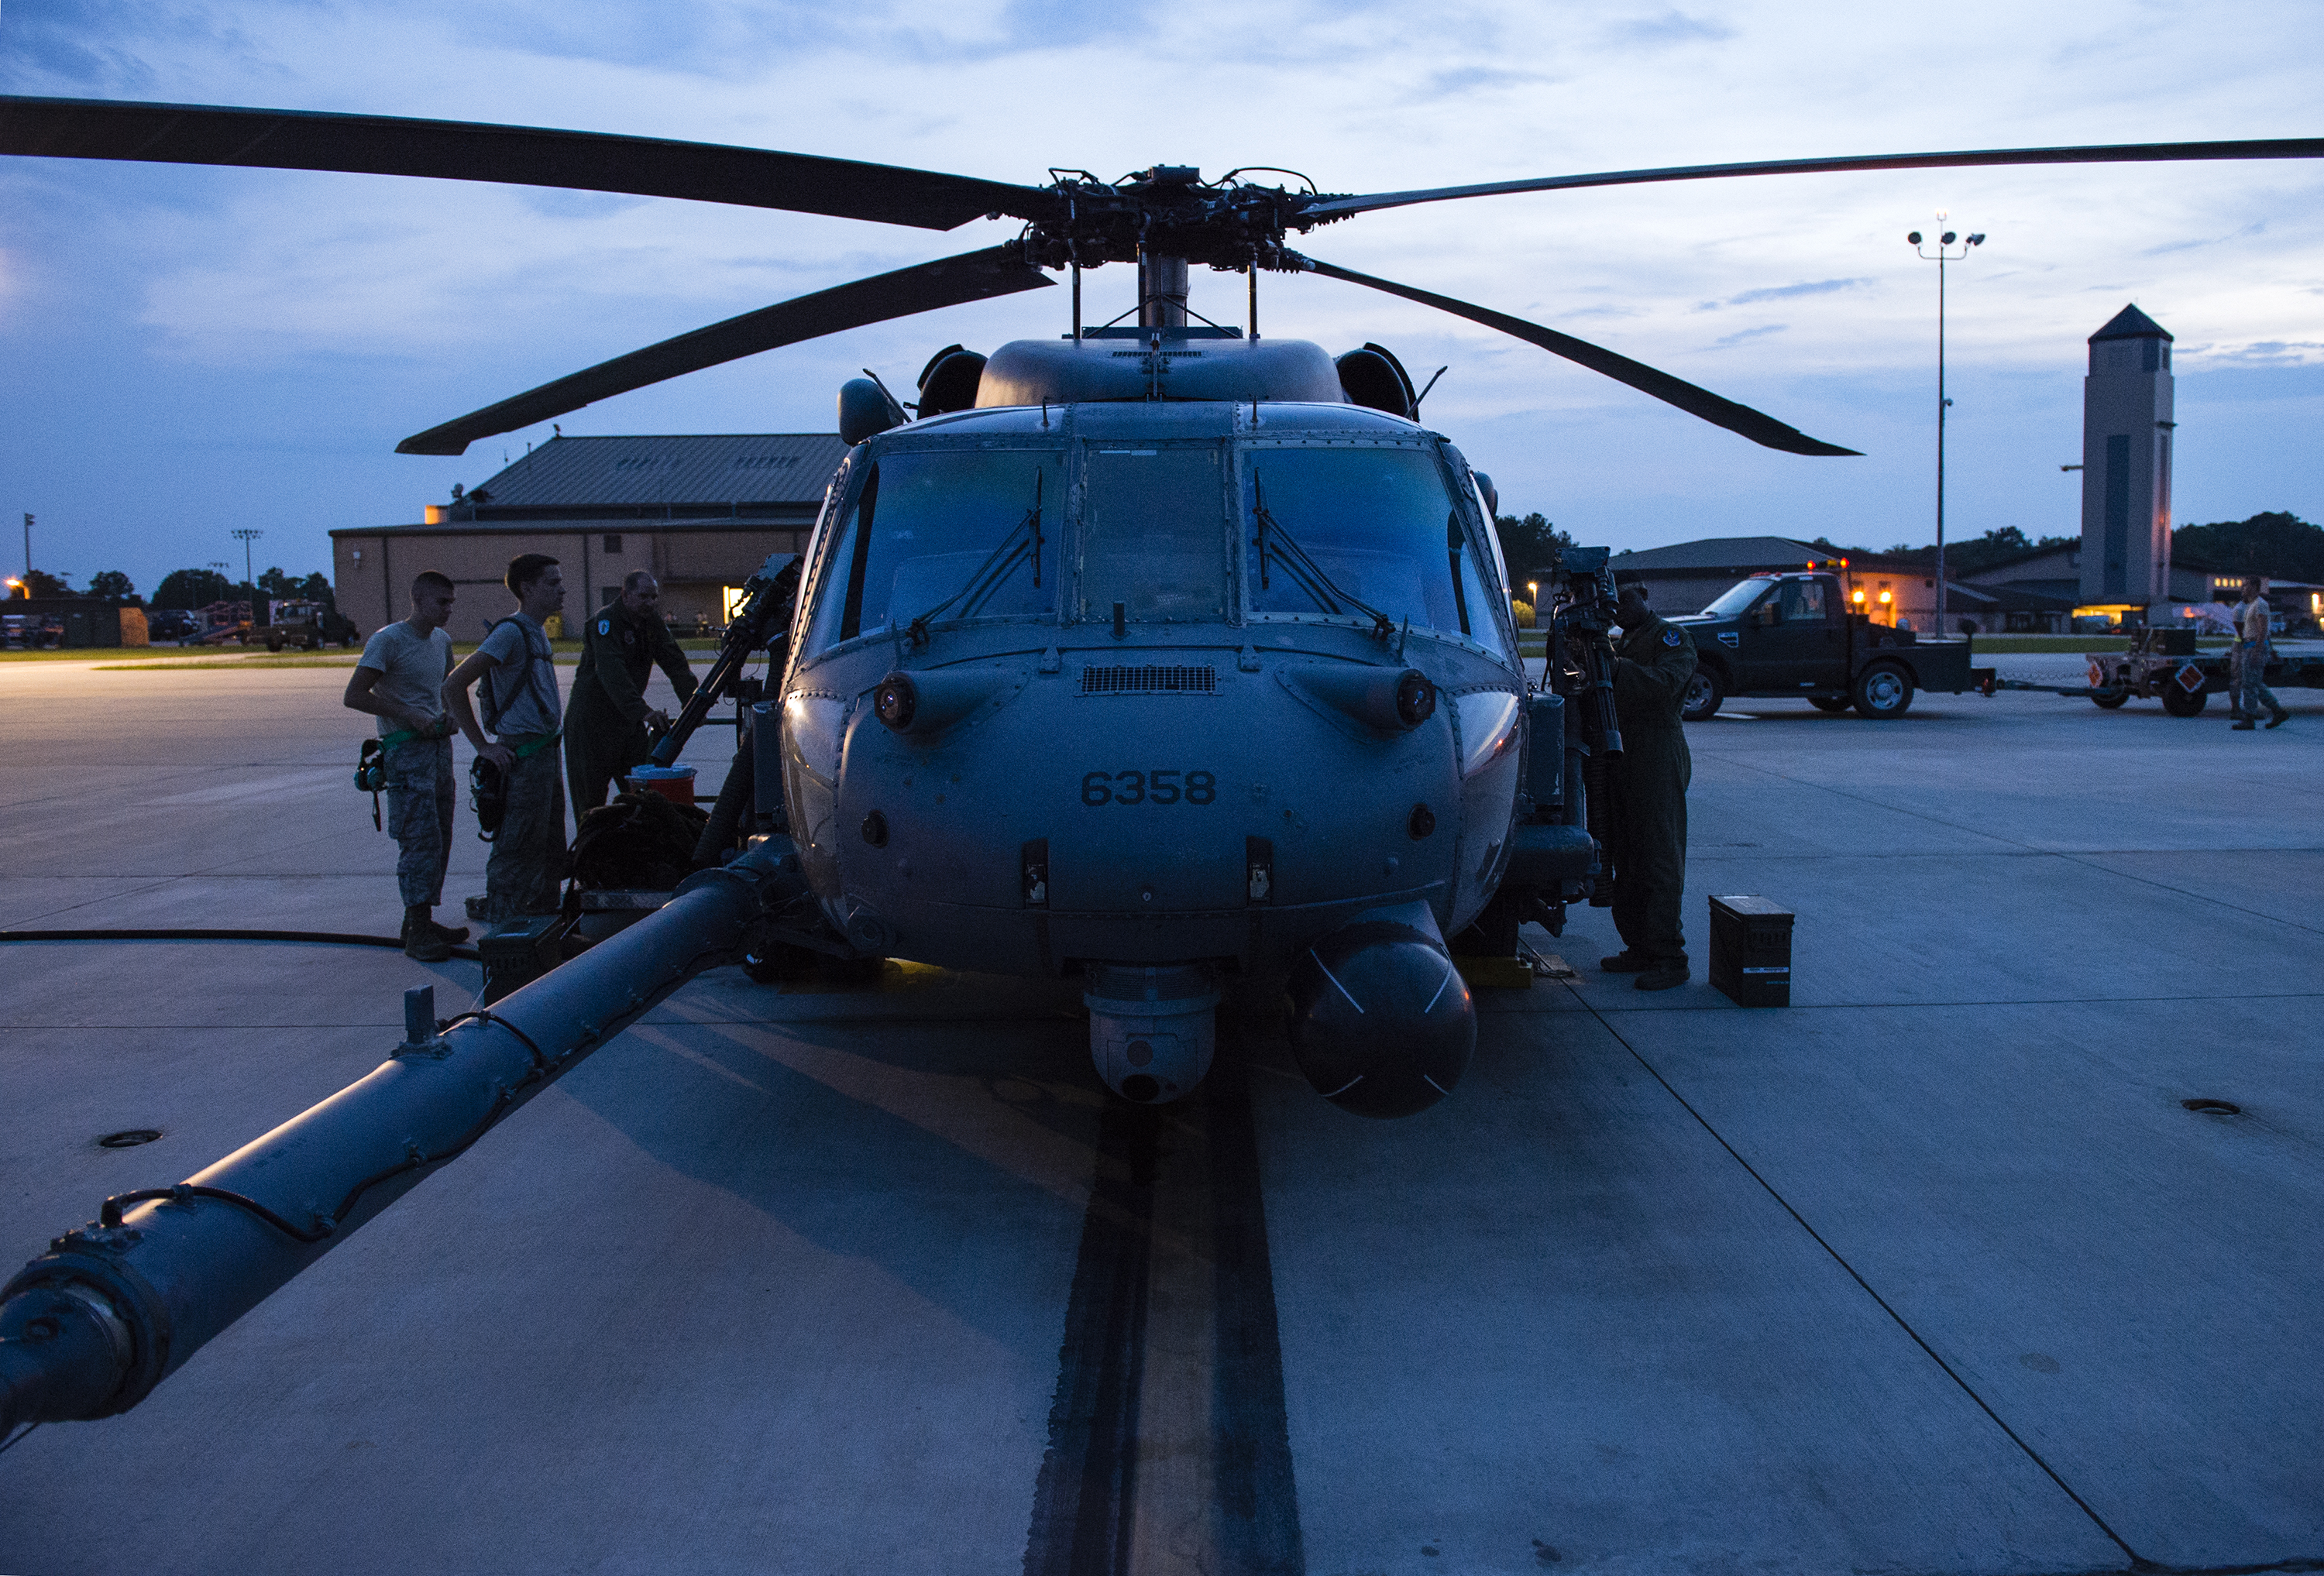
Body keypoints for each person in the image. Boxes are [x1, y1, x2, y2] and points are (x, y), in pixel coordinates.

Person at [342, 571, 466, 961]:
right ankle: (417, 931)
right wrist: (407, 714)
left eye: (451, 602)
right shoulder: (388, 640)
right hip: (405, 752)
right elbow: (355, 695)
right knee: (418, 838)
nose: (448, 610)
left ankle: (421, 920)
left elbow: (444, 689)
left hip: (437, 750)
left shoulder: (442, 641)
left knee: (441, 832)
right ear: (418, 600)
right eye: (441, 602)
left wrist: (449, 716)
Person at [445, 555, 569, 923]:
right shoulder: (510, 632)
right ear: (527, 589)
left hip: (546, 753)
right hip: (524, 757)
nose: (561, 588)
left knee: (548, 843)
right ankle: (503, 921)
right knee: (517, 845)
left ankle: (541, 912)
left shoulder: (536, 630)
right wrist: (484, 746)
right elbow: (453, 685)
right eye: (552, 582)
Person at [1599, 579, 1698, 991]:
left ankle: (1670, 956)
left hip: (1657, 751)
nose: (1620, 609)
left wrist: (1617, 669)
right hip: (1623, 754)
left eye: (1627, 599)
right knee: (1627, 854)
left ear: (1644, 594)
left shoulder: (1671, 638)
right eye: (1613, 604)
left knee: (1659, 856)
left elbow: (1664, 687)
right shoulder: (1620, 643)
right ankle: (1639, 946)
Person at [567, 572, 700, 814]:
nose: (649, 603)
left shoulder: (652, 623)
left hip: (627, 723)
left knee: (643, 798)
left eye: (653, 597)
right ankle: (593, 850)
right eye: (643, 597)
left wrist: (692, 701)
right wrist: (643, 711)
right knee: (590, 805)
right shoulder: (606, 621)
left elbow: (675, 662)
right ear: (625, 595)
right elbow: (611, 672)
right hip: (592, 724)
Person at [2230, 579, 2289, 730]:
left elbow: (2263, 630)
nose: (2243, 588)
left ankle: (2248, 719)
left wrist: (2257, 651)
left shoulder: (2260, 605)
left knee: (2249, 685)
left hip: (2254, 647)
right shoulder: (2251, 605)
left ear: (2255, 587)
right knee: (2254, 683)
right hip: (2250, 647)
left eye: (2246, 585)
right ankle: (2278, 712)